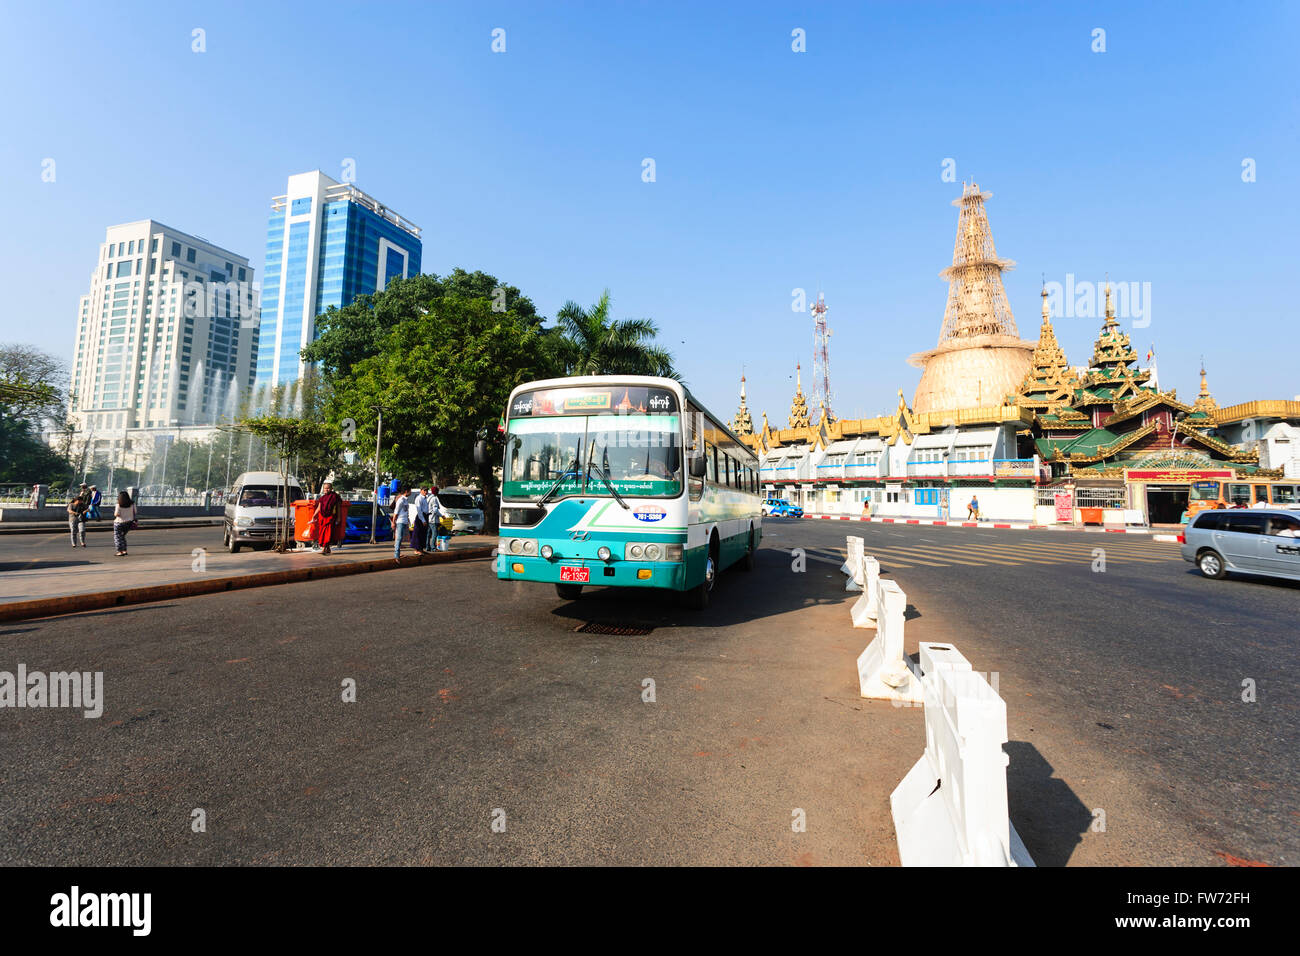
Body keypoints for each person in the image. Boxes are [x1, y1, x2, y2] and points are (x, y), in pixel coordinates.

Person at [313, 481, 341, 555]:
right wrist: (314, 515)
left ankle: (325, 548)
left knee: (328, 534)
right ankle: (326, 548)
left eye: (328, 488)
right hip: (322, 517)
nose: (326, 490)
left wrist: (338, 517)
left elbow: (338, 508)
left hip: (330, 517)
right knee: (322, 533)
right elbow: (319, 508)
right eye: (325, 488)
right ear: (323, 489)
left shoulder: (335, 497)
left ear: (331, 488)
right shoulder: (322, 498)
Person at [113, 490, 136, 556]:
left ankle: (119, 551)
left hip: (119, 523)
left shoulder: (118, 504)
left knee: (117, 537)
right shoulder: (132, 504)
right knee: (122, 536)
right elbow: (135, 512)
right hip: (129, 523)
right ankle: (124, 550)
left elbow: (116, 514)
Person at [392, 484, 410, 562]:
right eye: (410, 490)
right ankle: (396, 556)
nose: (411, 492)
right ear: (406, 491)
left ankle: (398, 554)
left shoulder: (405, 499)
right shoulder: (401, 500)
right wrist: (393, 522)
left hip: (404, 521)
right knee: (398, 538)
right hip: (400, 521)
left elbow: (405, 511)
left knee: (401, 538)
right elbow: (396, 512)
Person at [410, 486, 428, 553]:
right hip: (420, 517)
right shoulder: (419, 498)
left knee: (423, 534)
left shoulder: (425, 498)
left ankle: (421, 549)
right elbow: (419, 510)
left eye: (426, 490)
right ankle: (416, 549)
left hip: (425, 516)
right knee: (417, 534)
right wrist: (423, 520)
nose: (425, 492)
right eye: (424, 490)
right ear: (421, 491)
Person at [426, 486, 442, 552]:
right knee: (434, 533)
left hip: (429, 518)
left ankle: (427, 547)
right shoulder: (434, 499)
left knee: (428, 534)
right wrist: (441, 515)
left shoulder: (429, 497)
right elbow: (435, 510)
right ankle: (433, 547)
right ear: (436, 492)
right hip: (433, 519)